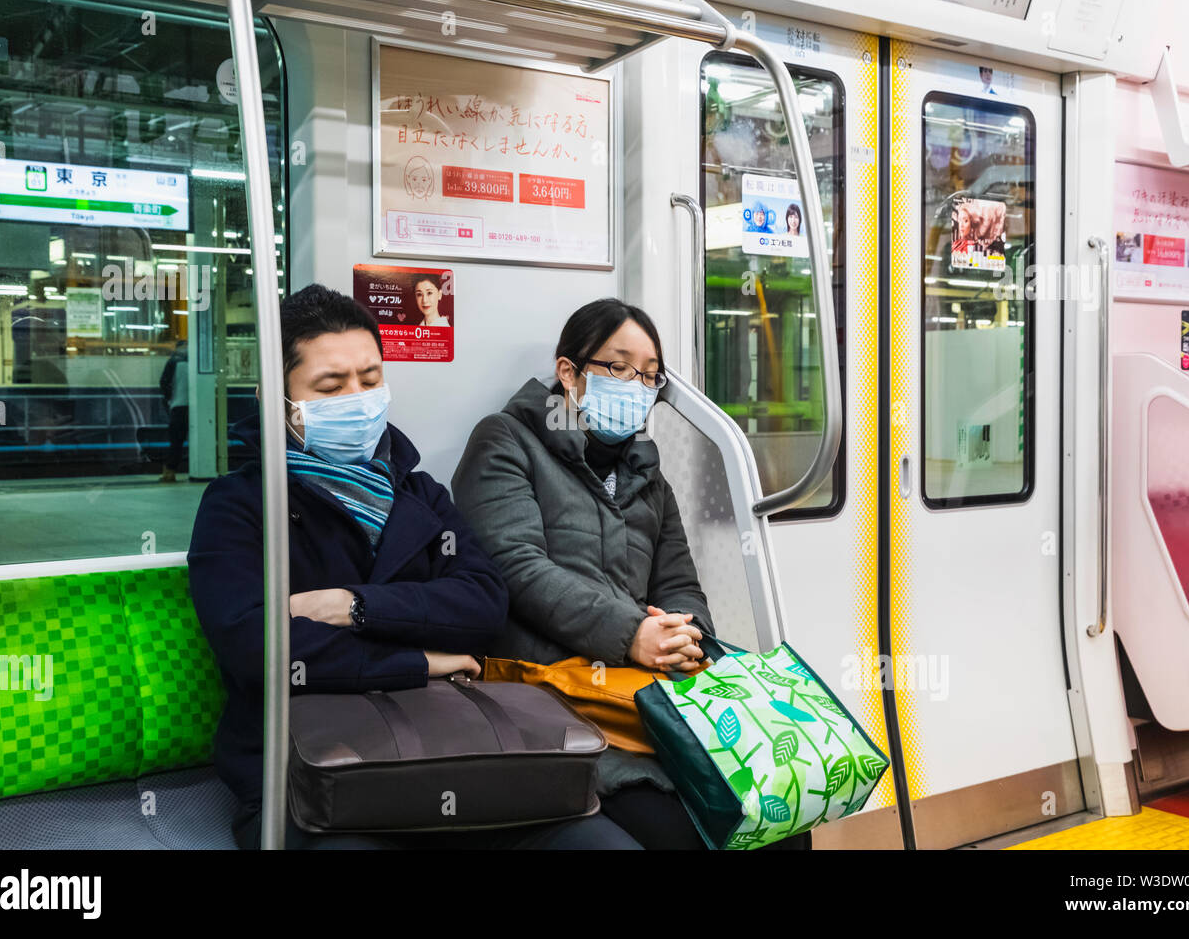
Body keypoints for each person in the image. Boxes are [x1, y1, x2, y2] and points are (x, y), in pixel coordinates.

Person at [188, 284, 639, 850]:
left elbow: (481, 603)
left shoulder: (419, 493)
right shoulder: (241, 506)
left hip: (450, 748)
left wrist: (353, 607)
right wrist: (418, 661)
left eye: (370, 380)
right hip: (312, 771)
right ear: (276, 400)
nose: (357, 397)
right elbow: (259, 649)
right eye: (331, 386)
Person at [452, 298, 810, 851]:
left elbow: (679, 584)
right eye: (618, 367)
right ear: (568, 372)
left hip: (649, 694)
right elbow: (516, 568)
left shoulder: (647, 475)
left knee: (782, 832)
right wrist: (631, 634)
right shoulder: (505, 442)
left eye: (648, 375)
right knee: (679, 835)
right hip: (555, 699)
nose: (634, 384)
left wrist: (682, 637)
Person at [158, 338, 189, 482]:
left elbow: (164, 382)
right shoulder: (196, 362)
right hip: (196, 407)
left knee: (176, 441)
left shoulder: (172, 362)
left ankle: (169, 472)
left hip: (178, 406)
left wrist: (170, 400)